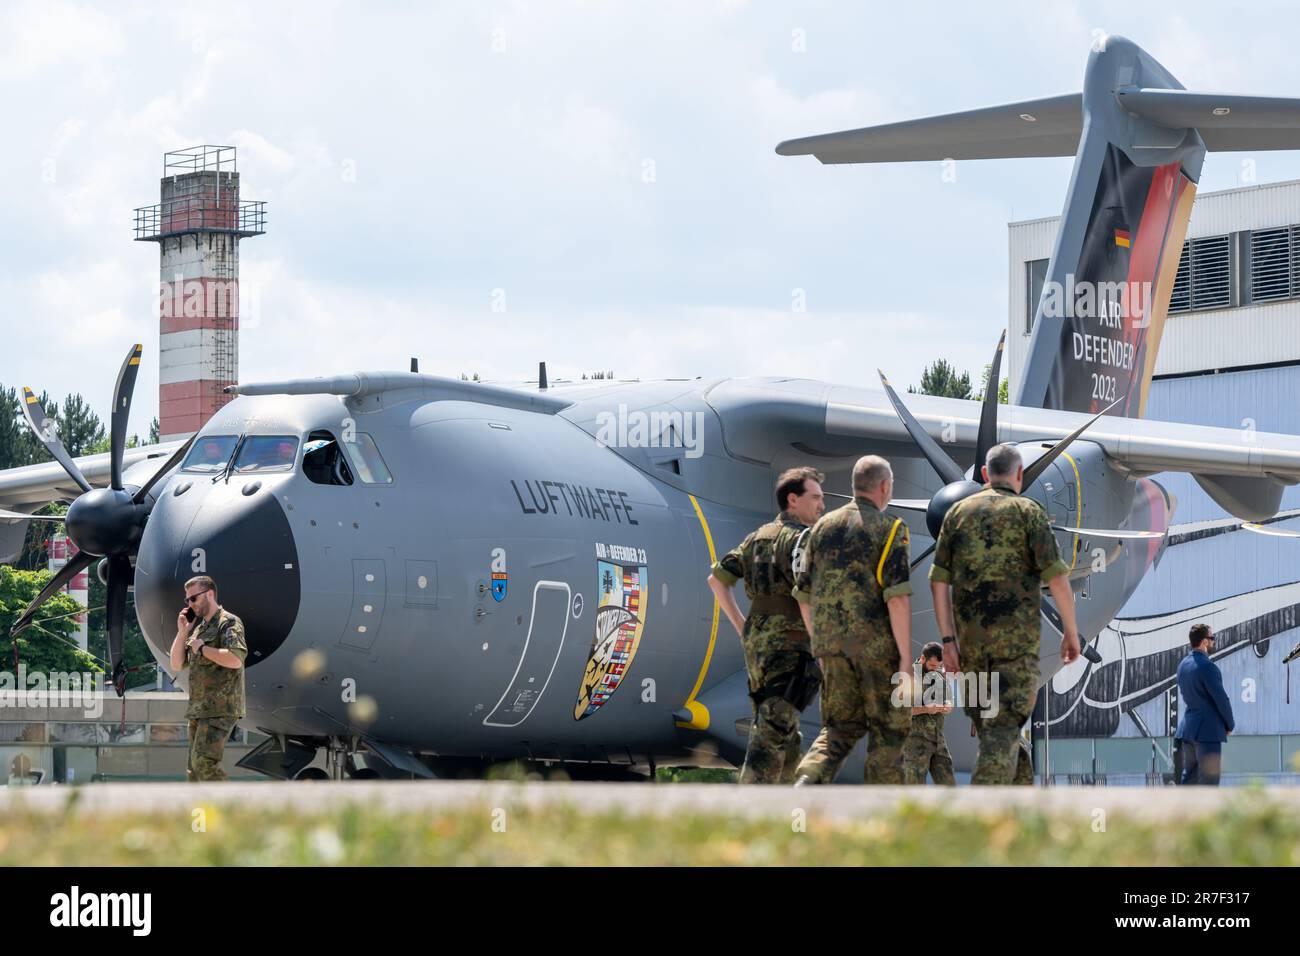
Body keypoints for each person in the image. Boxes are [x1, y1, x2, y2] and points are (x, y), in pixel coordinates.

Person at [929, 443, 1081, 785]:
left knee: (997, 730)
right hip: (1015, 651)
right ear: (1019, 474)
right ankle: (982, 816)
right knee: (1002, 732)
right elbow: (1057, 578)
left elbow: (938, 583)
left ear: (984, 474)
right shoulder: (1028, 513)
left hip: (971, 651)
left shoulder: (957, 515)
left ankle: (1020, 813)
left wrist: (949, 641)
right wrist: (1071, 631)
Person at [791, 455, 912, 785]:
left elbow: (803, 595)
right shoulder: (891, 529)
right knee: (888, 731)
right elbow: (897, 597)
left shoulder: (821, 528)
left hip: (832, 647)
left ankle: (805, 784)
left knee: (838, 730)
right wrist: (904, 657)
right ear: (884, 487)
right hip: (876, 650)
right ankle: (883, 813)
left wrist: (819, 642)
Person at [709, 467, 826, 783]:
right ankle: (752, 806)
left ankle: (784, 807)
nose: (821, 505)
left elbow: (717, 580)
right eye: (815, 497)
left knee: (782, 727)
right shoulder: (801, 539)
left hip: (758, 642)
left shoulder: (755, 538)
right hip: (789, 642)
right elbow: (805, 596)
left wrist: (742, 626)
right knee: (773, 730)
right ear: (793, 499)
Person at [169, 575, 247, 782]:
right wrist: (183, 631)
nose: (189, 604)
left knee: (203, 763)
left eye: (193, 598)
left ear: (209, 594)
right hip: (199, 709)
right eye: (187, 600)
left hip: (220, 708)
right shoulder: (199, 629)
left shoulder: (228, 623)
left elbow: (235, 659)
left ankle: (227, 812)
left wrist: (203, 649)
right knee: (193, 770)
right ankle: (200, 814)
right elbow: (176, 663)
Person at [1176, 623, 1233, 786]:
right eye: (1212, 638)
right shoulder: (1207, 667)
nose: (1213, 642)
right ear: (1204, 642)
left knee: (1189, 782)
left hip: (1188, 730)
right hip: (1207, 732)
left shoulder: (1182, 666)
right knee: (1209, 783)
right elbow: (1221, 699)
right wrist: (1229, 724)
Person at [902, 642, 955, 785]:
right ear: (923, 659)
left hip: (938, 741)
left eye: (938, 665)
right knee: (915, 789)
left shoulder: (939, 675)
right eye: (932, 665)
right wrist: (926, 709)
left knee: (948, 785)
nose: (935, 668)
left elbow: (949, 699)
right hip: (915, 743)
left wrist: (948, 706)